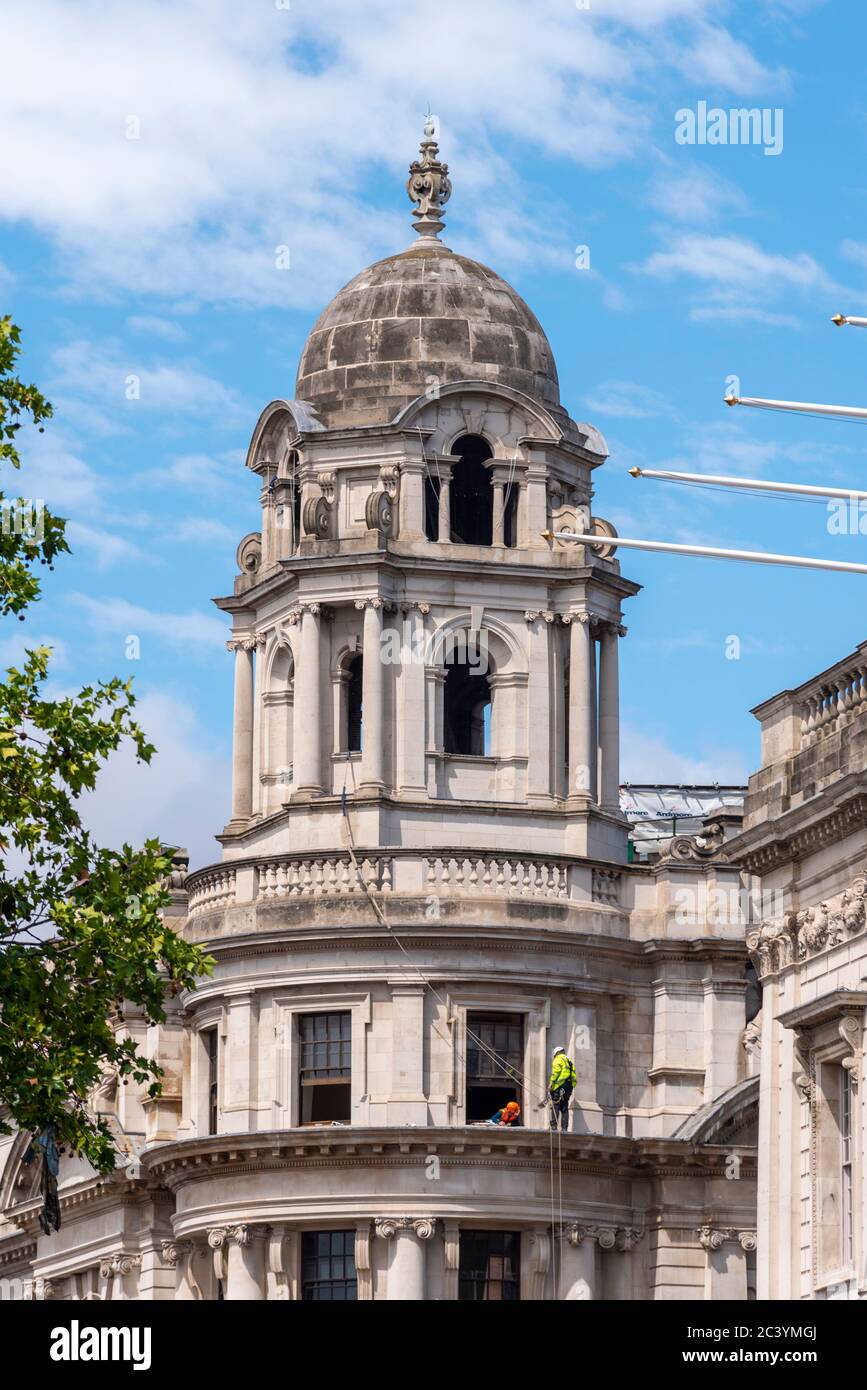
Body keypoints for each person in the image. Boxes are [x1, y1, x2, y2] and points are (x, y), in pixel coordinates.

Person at [547, 1046, 576, 1132]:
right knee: (564, 1108)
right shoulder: (569, 1061)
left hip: (559, 1086)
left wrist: (551, 1083)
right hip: (568, 1088)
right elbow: (574, 1077)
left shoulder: (558, 1059)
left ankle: (554, 1127)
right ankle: (564, 1128)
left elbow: (556, 1072)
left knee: (555, 1105)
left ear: (556, 1053)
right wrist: (570, 1088)